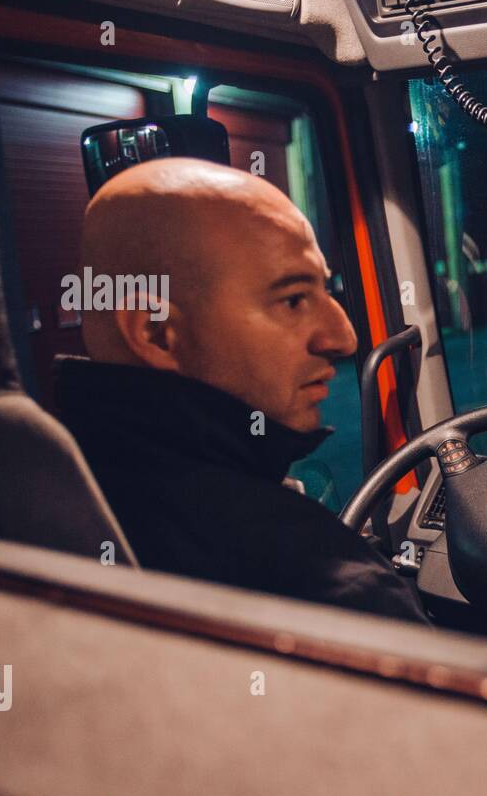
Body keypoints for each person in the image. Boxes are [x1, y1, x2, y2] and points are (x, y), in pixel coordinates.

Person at [55, 157, 428, 624]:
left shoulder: (49, 485)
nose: (343, 339)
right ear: (154, 333)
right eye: (293, 300)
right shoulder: (330, 587)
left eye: (326, 290)